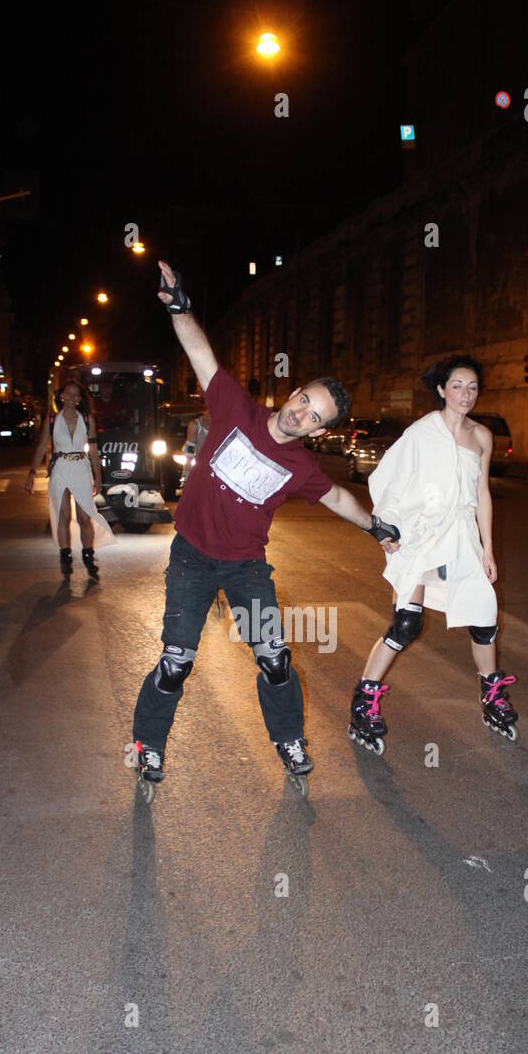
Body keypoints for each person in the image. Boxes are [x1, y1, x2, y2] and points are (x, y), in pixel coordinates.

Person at [131, 258, 399, 798]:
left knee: (275, 659)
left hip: (246, 569)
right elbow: (200, 353)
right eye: (305, 401)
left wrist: (376, 527)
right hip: (191, 557)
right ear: (295, 391)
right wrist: (179, 304)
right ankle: (146, 743)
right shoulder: (235, 408)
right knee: (176, 661)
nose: (302, 415)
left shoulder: (300, 467)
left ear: (319, 431)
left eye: (315, 417)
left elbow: (339, 498)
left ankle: (289, 739)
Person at [349, 355, 519, 753]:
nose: (466, 393)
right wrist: (386, 528)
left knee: (483, 617)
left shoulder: (482, 437)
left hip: (462, 537)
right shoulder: (422, 432)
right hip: (421, 535)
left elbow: (481, 496)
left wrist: (488, 549)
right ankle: (364, 701)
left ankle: (492, 697)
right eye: (458, 385)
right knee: (406, 625)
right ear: (442, 390)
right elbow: (388, 477)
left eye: (473, 387)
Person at [25, 378, 115, 580]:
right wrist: (31, 472)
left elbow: (93, 450)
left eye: (76, 394)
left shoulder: (86, 420)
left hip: (81, 469)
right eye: (68, 393)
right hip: (60, 468)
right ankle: (65, 557)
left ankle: (88, 557)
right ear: (62, 396)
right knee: (63, 517)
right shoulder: (52, 420)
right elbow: (42, 447)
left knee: (85, 517)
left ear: (79, 399)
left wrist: (98, 478)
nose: (72, 397)